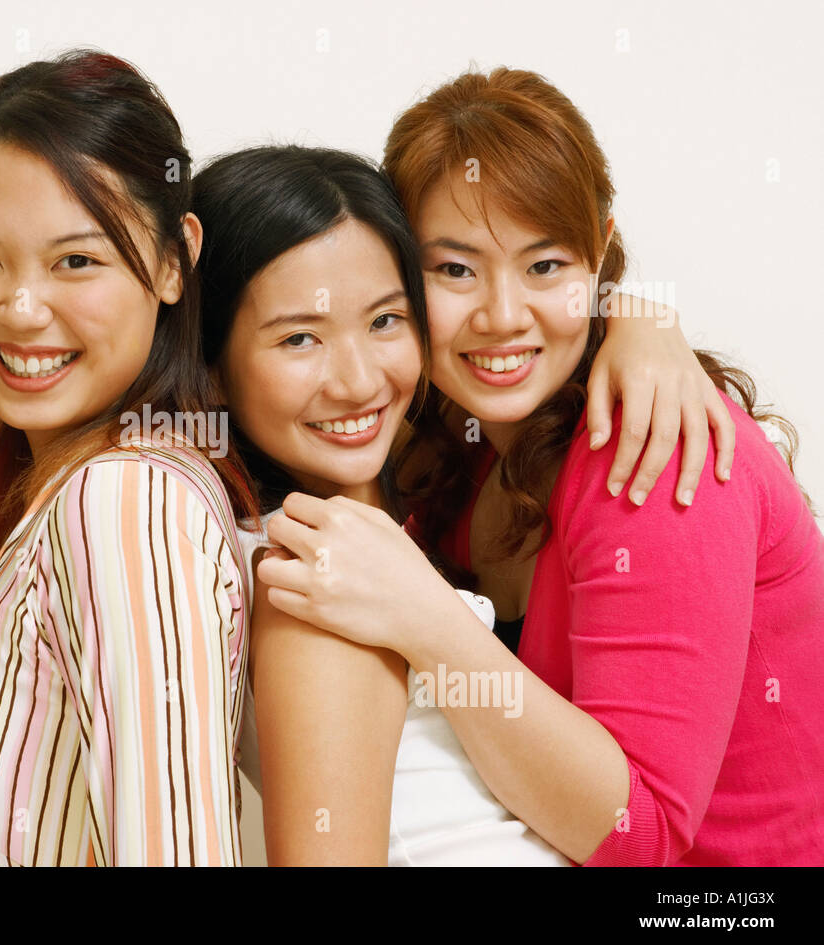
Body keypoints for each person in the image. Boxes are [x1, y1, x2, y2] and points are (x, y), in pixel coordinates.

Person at [257, 68, 824, 865]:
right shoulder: (455, 446)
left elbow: (643, 838)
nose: (502, 316)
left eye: (546, 266)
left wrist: (429, 622)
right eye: (455, 270)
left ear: (600, 256)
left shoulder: (654, 452)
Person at [194, 145, 733, 865]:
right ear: (212, 371)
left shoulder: (428, 474)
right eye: (299, 339)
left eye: (386, 321)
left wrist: (637, 316)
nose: (358, 382)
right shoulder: (319, 575)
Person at [0, 50, 255, 866]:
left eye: (77, 261)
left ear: (174, 260)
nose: (21, 310)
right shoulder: (49, 482)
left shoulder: (128, 506)